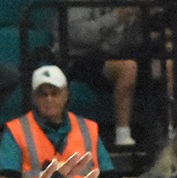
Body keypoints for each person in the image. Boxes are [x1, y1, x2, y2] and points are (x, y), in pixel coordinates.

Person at [0, 64, 113, 178]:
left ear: (66, 95)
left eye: (55, 93)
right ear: (33, 97)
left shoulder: (88, 128)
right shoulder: (17, 129)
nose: (49, 99)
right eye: (43, 94)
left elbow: (108, 173)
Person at [59, 5, 141, 149]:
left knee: (165, 64)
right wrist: (116, 17)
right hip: (77, 57)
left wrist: (139, 19)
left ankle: (166, 128)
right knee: (128, 67)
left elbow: (128, 43)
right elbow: (79, 36)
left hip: (112, 57)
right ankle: (123, 134)